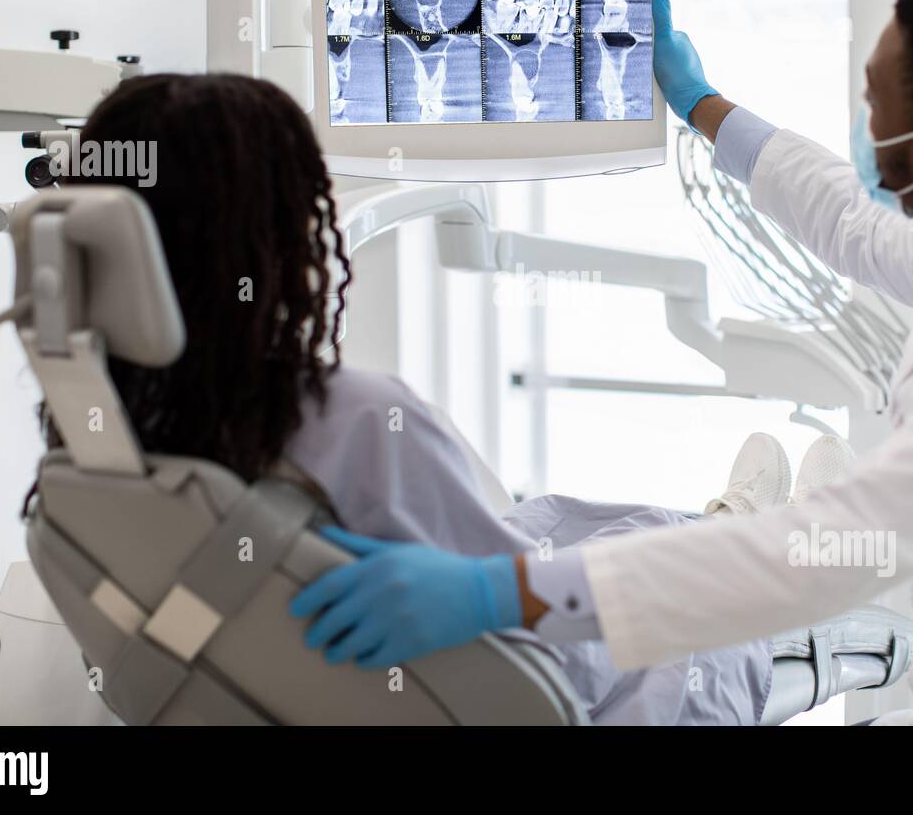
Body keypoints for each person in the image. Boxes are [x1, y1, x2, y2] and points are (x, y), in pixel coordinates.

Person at [294, 0, 913, 724]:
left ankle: (735, 514)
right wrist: (701, 104)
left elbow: (820, 552)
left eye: (873, 102)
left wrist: (506, 594)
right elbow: (846, 216)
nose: (861, 116)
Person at [64, 72, 775, 724]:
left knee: (557, 520)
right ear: (271, 235)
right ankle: (750, 526)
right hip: (537, 689)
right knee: (652, 554)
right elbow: (554, 662)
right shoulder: (357, 423)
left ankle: (729, 517)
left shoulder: (93, 450)